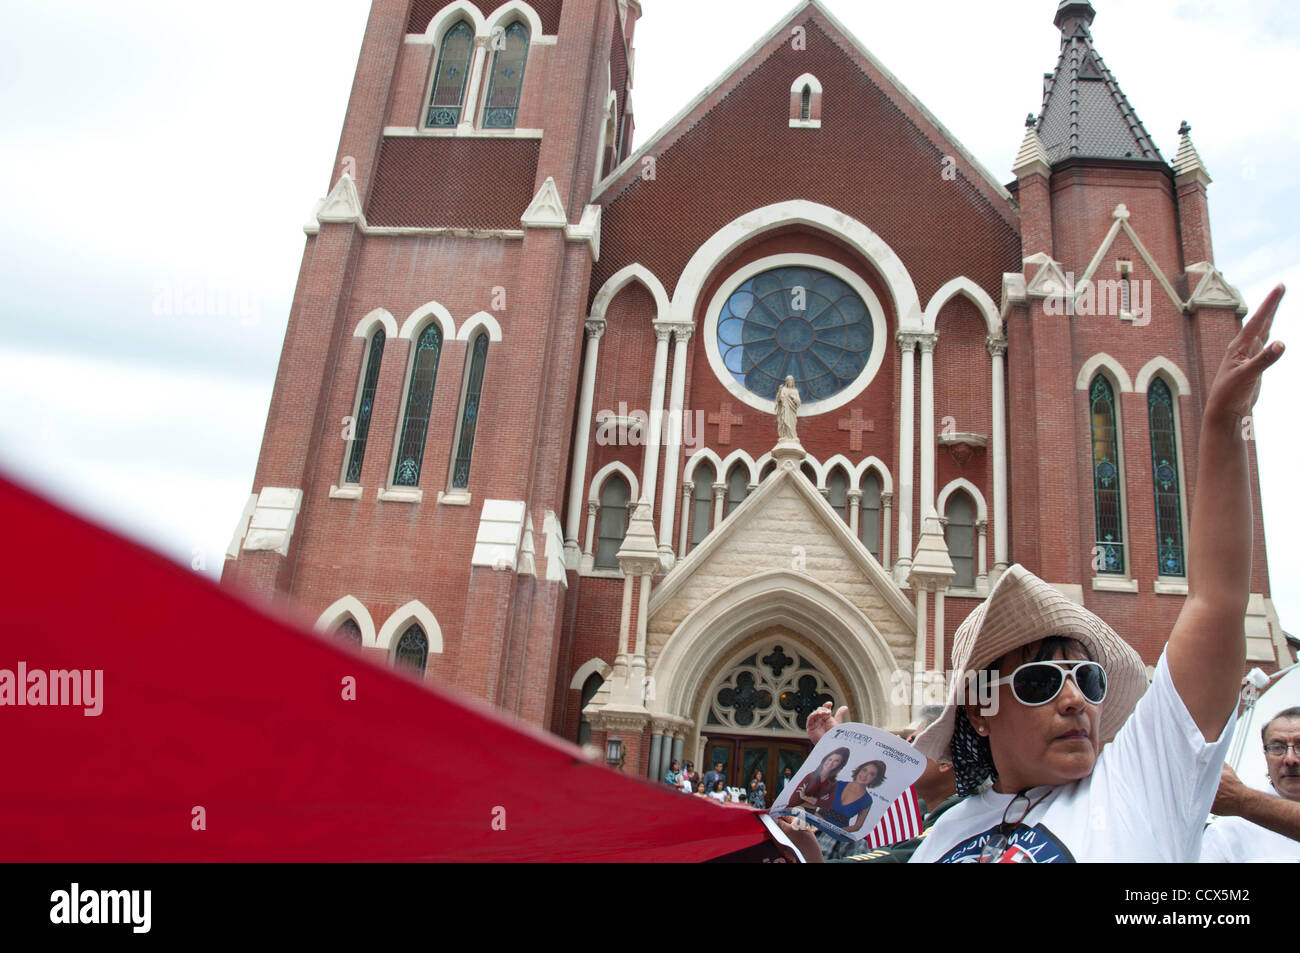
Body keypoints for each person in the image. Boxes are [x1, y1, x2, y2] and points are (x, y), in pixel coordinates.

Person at [782, 285, 1287, 863]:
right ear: (979, 710)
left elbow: (1217, 601)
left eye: (1089, 680)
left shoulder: (1138, 786)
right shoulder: (943, 837)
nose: (1075, 699)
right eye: (1042, 681)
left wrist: (1222, 425)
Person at [1200, 707, 1300, 862]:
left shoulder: (1243, 804)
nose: (1290, 759)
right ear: (1266, 755)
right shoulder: (1228, 832)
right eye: (1277, 747)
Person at [820, 762, 887, 838]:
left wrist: (836, 831)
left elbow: (857, 826)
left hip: (835, 836)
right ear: (859, 770)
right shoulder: (836, 784)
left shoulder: (867, 800)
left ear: (875, 779)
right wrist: (819, 822)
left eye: (871, 774)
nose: (865, 775)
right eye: (864, 770)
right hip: (814, 824)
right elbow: (814, 803)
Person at [788, 748, 850, 814]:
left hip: (809, 818)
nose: (831, 763)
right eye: (830, 759)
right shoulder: (811, 776)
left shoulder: (833, 783)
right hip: (791, 813)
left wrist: (804, 797)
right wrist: (817, 801)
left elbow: (827, 805)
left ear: (840, 765)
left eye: (836, 761)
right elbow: (793, 801)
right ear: (825, 759)